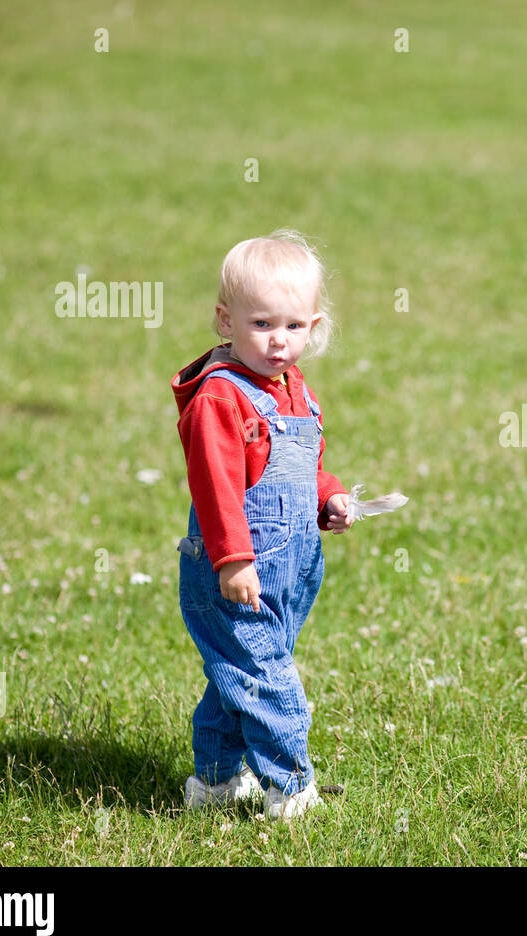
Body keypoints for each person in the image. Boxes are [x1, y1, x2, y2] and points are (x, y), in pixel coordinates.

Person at [170, 229, 351, 820]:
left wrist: (330, 498)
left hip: (292, 567)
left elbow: (306, 467)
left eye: (294, 327)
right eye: (262, 325)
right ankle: (291, 788)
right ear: (226, 321)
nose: (279, 342)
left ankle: (216, 784)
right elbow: (217, 488)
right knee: (267, 676)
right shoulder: (221, 399)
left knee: (239, 676)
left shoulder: (295, 390)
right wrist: (232, 558)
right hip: (237, 567)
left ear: (314, 324)